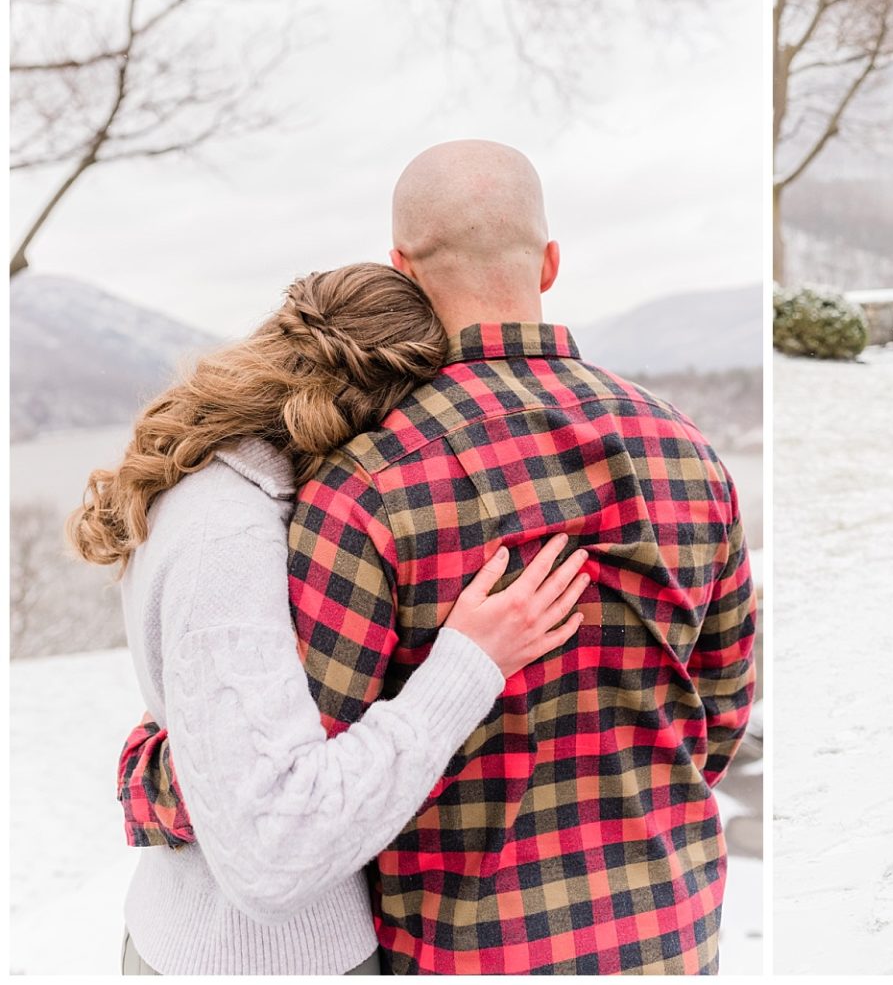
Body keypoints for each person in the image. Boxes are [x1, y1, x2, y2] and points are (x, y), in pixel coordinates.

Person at [118, 140, 758, 973]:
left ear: (403, 267)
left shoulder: (362, 489)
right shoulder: (689, 453)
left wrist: (150, 776)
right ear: (551, 262)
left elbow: (295, 766)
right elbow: (721, 709)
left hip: (462, 950)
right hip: (669, 936)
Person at [71, 263, 589, 975]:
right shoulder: (230, 533)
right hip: (263, 961)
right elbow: (274, 849)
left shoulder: (217, 482)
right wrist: (469, 663)